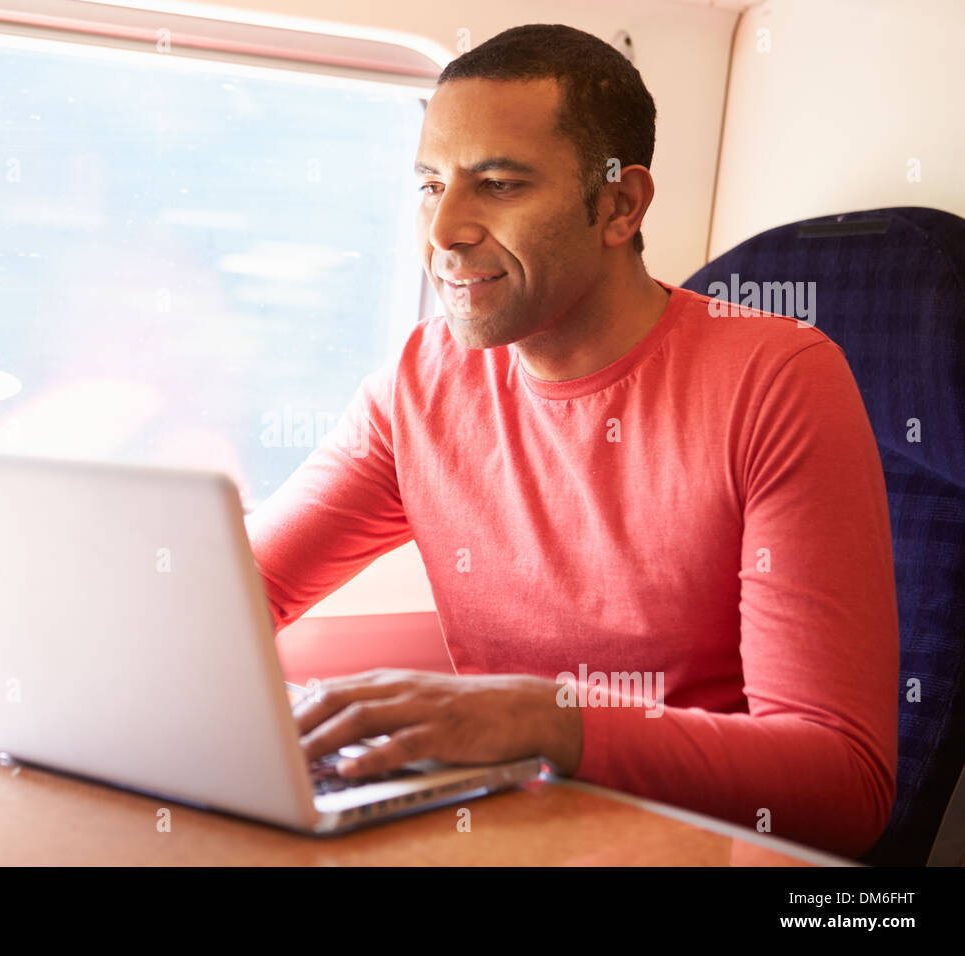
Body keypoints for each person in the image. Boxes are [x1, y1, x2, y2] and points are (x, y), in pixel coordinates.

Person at [243, 23, 898, 859]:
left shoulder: (780, 379)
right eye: (430, 185)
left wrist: (544, 718)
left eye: (500, 185)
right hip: (513, 836)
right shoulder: (420, 381)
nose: (444, 230)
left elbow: (843, 787)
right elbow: (232, 597)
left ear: (619, 206)